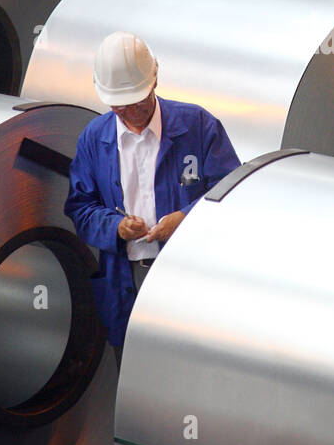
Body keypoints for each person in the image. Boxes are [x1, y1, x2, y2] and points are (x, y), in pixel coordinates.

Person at [65, 31, 240, 359]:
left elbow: (233, 193)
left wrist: (185, 220)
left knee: (188, 368)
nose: (129, 112)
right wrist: (116, 227)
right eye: (119, 106)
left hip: (188, 278)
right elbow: (80, 207)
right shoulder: (94, 139)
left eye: (136, 101)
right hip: (124, 281)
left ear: (155, 81)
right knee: (133, 377)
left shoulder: (199, 126)